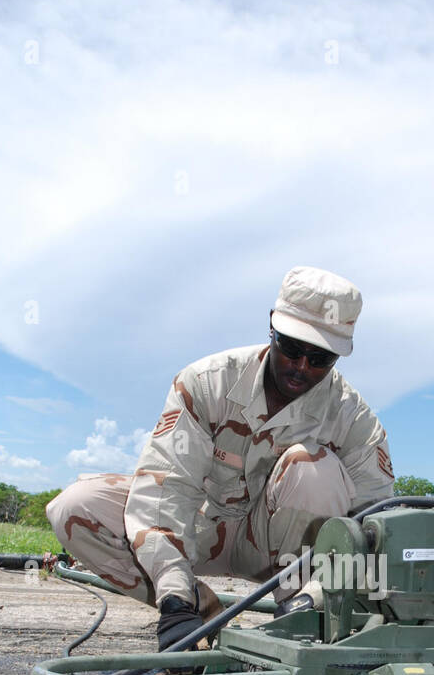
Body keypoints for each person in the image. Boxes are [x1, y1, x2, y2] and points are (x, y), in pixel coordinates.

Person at [46, 266, 395, 649]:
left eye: (320, 359)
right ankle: (200, 610)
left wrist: (314, 595)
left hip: (283, 554)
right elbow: (168, 486)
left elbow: (372, 527)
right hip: (199, 526)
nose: (301, 367)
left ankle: (297, 624)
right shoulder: (206, 382)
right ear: (271, 329)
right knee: (75, 508)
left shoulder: (354, 418)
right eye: (292, 349)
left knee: (313, 468)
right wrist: (176, 598)